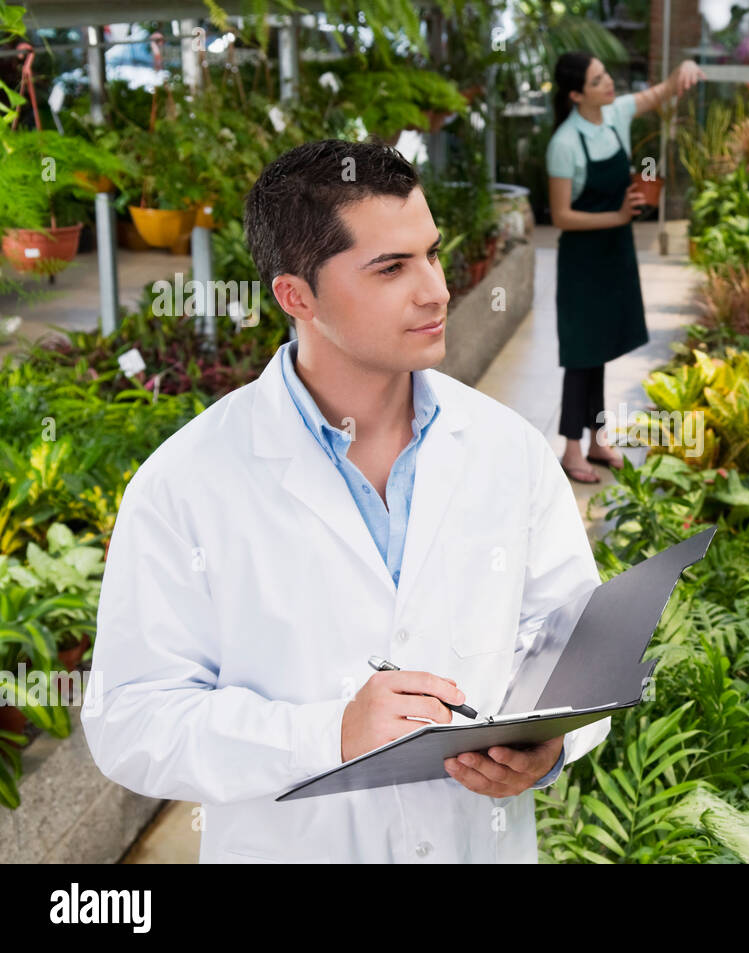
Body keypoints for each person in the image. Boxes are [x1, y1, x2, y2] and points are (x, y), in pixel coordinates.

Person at [80, 139, 610, 863]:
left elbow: (571, 633)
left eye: (431, 253)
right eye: (391, 268)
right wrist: (328, 734)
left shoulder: (506, 450)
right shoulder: (185, 487)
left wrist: (550, 742)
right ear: (296, 295)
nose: (436, 289)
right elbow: (131, 720)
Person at [546, 51, 704, 482]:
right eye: (598, 81)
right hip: (581, 259)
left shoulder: (616, 114)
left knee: (599, 348)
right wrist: (616, 215)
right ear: (577, 94)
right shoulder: (564, 143)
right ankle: (571, 449)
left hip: (614, 252)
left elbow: (664, 90)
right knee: (580, 353)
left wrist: (685, 66)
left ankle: (597, 440)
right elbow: (561, 216)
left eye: (607, 76)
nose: (609, 84)